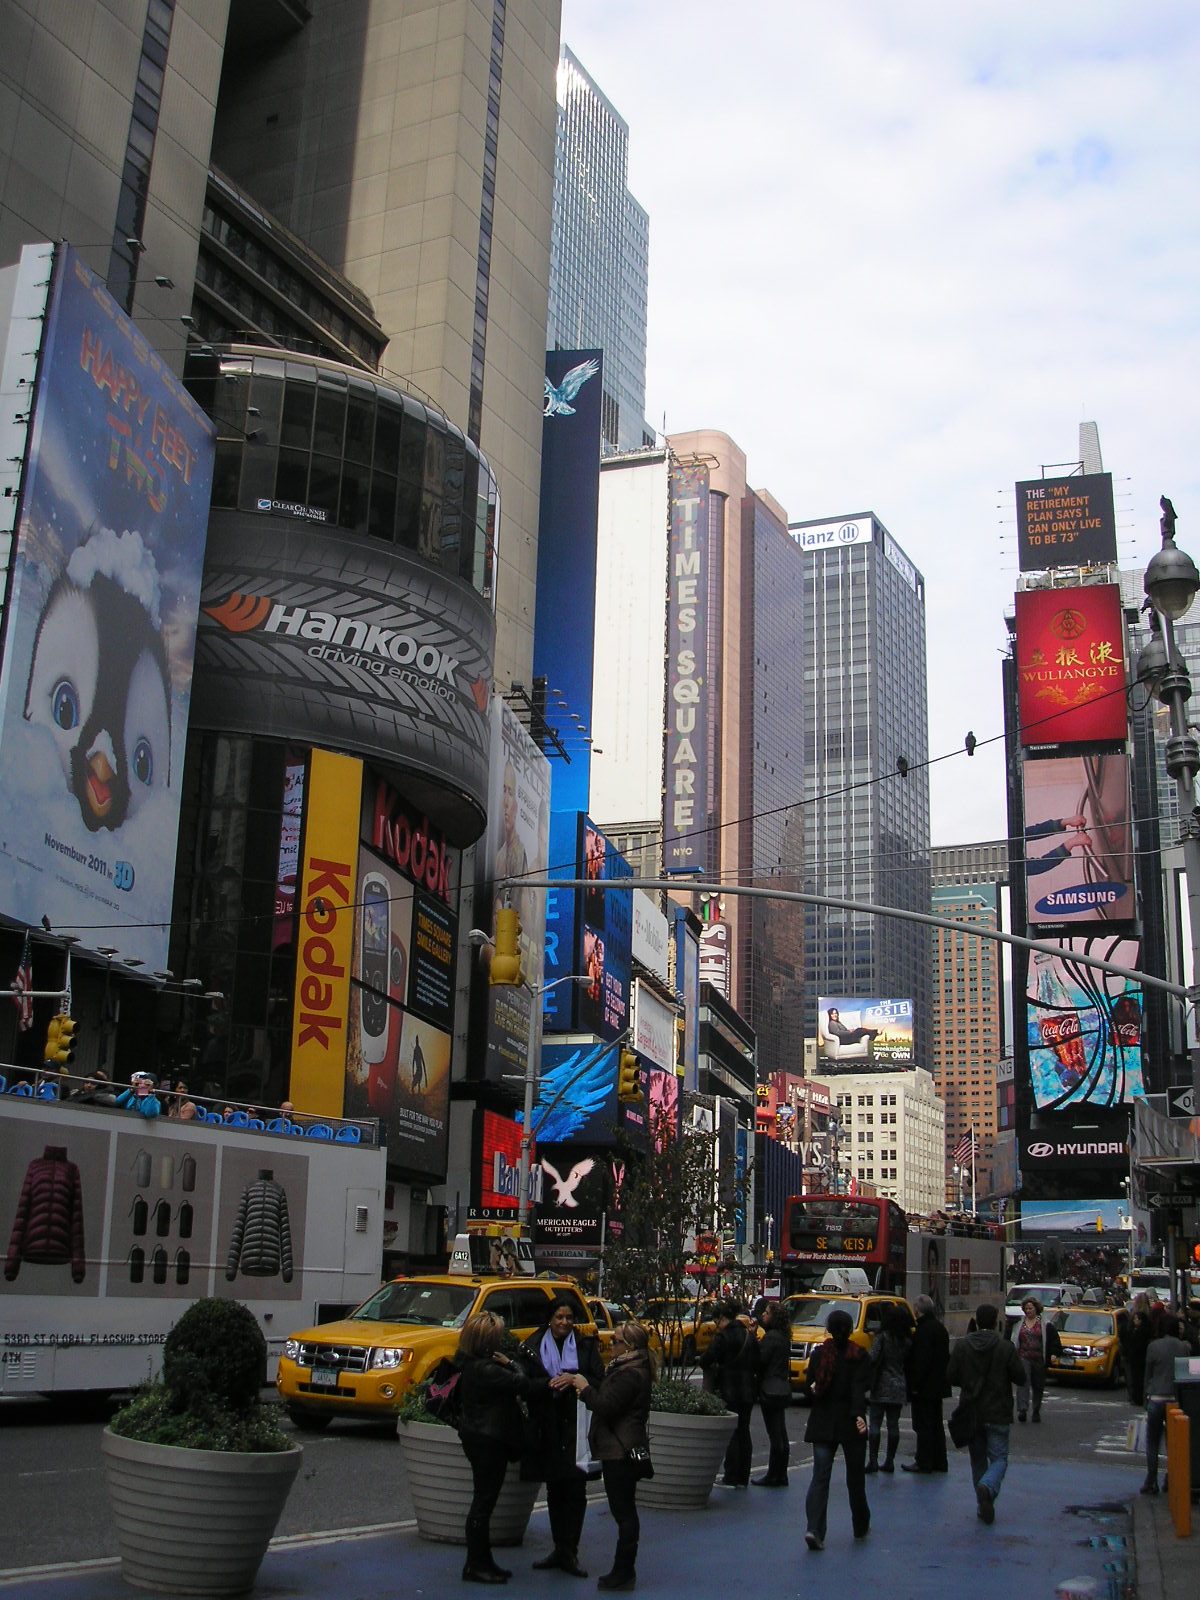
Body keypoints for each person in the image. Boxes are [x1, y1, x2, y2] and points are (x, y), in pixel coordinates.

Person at [562, 1318, 653, 1592]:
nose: (610, 1345)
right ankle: (623, 1569)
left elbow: (607, 1406)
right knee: (625, 1511)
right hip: (622, 1445)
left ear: (629, 1347)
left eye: (616, 1341)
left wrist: (584, 1387)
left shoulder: (629, 1374)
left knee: (623, 1512)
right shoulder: (632, 1368)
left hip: (619, 1449)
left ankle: (623, 1571)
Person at [521, 1296, 604, 1576]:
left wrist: (575, 1379)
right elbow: (523, 1384)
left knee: (576, 1490)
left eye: (569, 1318)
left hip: (577, 1426)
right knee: (555, 1489)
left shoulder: (585, 1345)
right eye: (559, 1318)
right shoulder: (533, 1346)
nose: (564, 1323)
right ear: (550, 1319)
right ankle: (559, 1548)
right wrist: (547, 1384)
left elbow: (598, 1379)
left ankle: (571, 1550)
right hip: (548, 1426)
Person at [455, 1310, 530, 1585]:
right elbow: (521, 1381)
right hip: (489, 1440)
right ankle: (476, 1564)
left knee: (483, 1501)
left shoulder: (471, 1364)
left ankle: (482, 1561)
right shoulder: (487, 1369)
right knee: (483, 1503)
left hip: (477, 1436)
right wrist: (512, 1363)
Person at [946, 1302, 1025, 1525]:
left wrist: (968, 1381)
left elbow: (951, 1376)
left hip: (972, 1411)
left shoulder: (963, 1346)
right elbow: (1020, 1377)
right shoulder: (1005, 1348)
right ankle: (987, 1489)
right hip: (998, 1410)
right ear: (995, 1322)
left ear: (977, 1321)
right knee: (999, 1458)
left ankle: (983, 1501)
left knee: (977, 1459)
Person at [802, 1308, 870, 1550]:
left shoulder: (820, 1355)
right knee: (855, 1478)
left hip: (823, 1422)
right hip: (850, 1423)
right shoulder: (858, 1355)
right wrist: (858, 1415)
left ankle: (815, 1529)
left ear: (828, 1329)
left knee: (820, 1477)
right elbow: (859, 1388)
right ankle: (860, 1524)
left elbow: (810, 1387)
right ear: (851, 1330)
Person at [699, 1298, 759, 1487]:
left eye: (717, 1322)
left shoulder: (723, 1337)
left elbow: (706, 1359)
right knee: (744, 1431)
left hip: (729, 1388)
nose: (717, 1326)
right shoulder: (748, 1335)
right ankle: (743, 1475)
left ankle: (731, 1474)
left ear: (723, 1319)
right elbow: (758, 1359)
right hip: (748, 1389)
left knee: (732, 1433)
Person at [1141, 1313, 1191, 1495]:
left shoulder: (1153, 1347)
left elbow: (1148, 1375)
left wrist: (1144, 1398)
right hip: (1174, 1399)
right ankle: (1170, 1479)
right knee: (1174, 1443)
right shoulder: (1182, 1347)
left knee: (1152, 1442)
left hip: (1156, 1397)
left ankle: (1151, 1480)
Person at [903, 1292, 950, 1473]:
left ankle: (924, 1461)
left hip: (924, 1387)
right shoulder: (939, 1328)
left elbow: (921, 1361)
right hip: (938, 1385)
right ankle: (939, 1460)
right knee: (936, 1424)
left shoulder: (923, 1331)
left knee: (923, 1426)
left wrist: (914, 1385)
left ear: (917, 1310)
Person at [866, 1303, 912, 1473]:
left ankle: (872, 1460)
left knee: (875, 1423)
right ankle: (890, 1460)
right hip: (899, 1383)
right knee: (893, 1424)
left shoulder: (883, 1337)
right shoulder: (906, 1341)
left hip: (880, 1384)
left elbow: (872, 1357)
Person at [753, 1300, 792, 1487]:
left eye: (767, 1313)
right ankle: (781, 1473)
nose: (763, 1315)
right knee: (781, 1432)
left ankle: (774, 1474)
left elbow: (760, 1361)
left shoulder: (771, 1338)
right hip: (782, 1386)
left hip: (770, 1387)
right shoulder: (784, 1337)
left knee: (775, 1434)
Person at [1013, 1295, 1062, 1422]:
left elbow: (1054, 1341)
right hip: (1023, 1357)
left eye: (1030, 1308)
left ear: (1036, 1309)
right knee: (1023, 1383)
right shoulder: (1019, 1324)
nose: (1028, 1311)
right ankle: (1022, 1410)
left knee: (1038, 1385)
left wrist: (1054, 1353)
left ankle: (1036, 1410)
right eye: (1026, 1309)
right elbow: (1012, 1340)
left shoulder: (1046, 1325)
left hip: (1039, 1358)